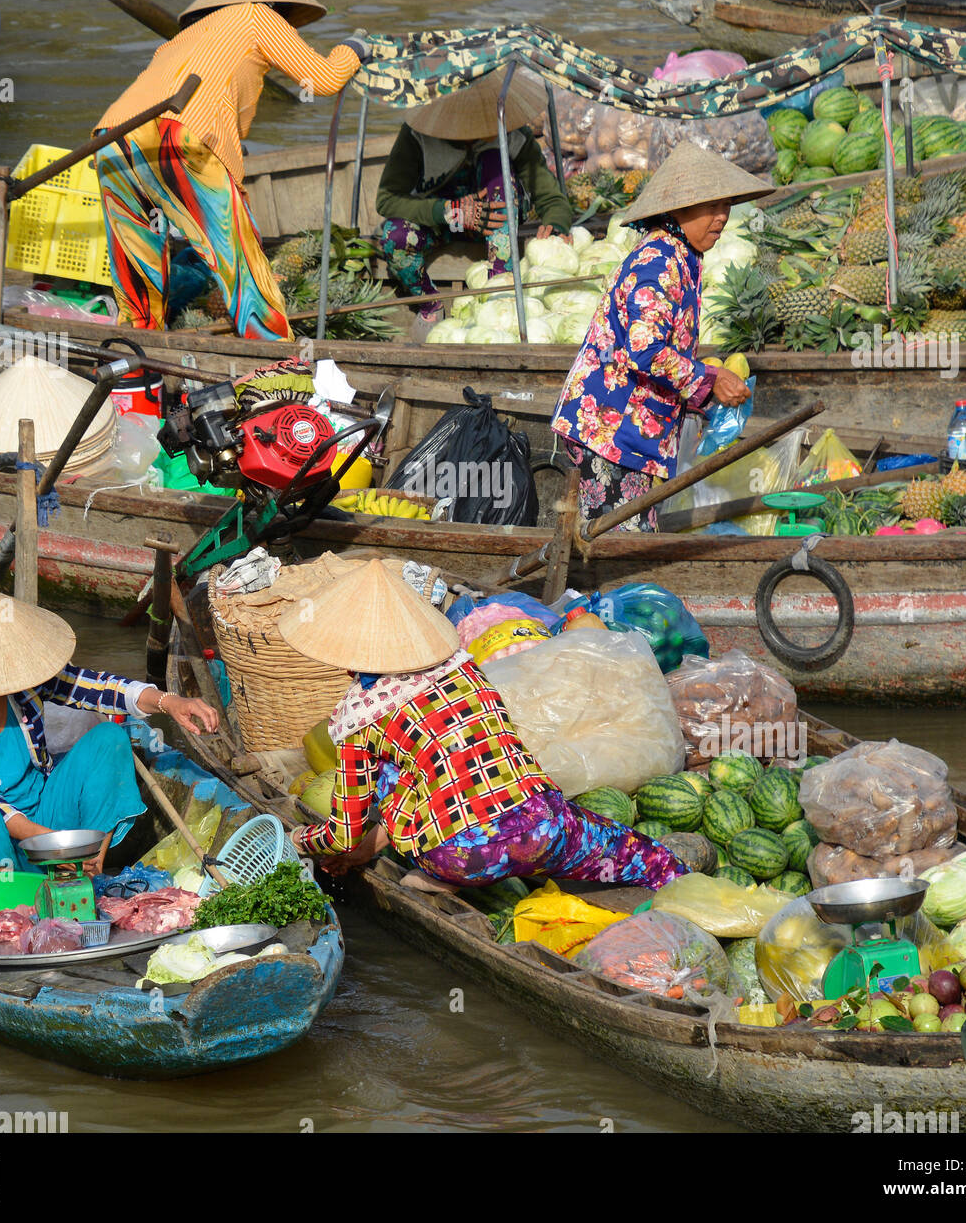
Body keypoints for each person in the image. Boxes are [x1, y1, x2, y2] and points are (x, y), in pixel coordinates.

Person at [280, 560, 686, 890]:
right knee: (651, 861)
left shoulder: (360, 721)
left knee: (389, 767)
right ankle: (679, 881)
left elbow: (342, 836)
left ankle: (439, 879)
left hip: (459, 855)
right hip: (545, 829)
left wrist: (301, 840)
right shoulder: (465, 669)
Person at [94, 0, 371, 338]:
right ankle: (273, 360)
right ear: (276, 6)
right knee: (241, 264)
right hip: (176, 133)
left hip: (110, 139)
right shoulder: (258, 15)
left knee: (136, 272)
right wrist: (353, 49)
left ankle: (134, 358)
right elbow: (323, 79)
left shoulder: (187, 36)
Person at [0, 590, 218, 883]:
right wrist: (55, 847)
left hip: (44, 822)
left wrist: (170, 701)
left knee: (109, 737)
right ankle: (5, 901)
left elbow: (96, 687)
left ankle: (88, 866)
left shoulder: (23, 681)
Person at [550, 141, 770, 532]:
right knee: (618, 545)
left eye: (726, 206)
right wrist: (710, 378)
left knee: (628, 537)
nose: (721, 217)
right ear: (680, 209)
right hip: (610, 428)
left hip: (629, 430)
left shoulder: (684, 257)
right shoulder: (659, 260)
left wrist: (697, 396)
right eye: (711, 206)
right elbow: (646, 350)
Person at [375, 67, 574, 339]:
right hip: (445, 221)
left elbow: (550, 196)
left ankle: (498, 293)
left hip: (500, 222)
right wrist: (447, 212)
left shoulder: (514, 134)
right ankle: (430, 303)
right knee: (394, 237)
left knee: (495, 166)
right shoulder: (417, 136)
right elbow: (387, 200)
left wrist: (556, 222)